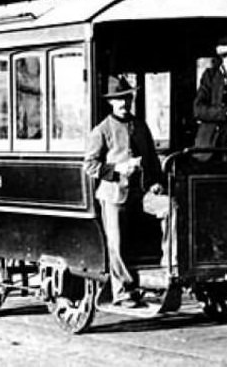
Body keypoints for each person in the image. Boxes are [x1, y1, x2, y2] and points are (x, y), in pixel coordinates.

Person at [83, 75, 163, 308]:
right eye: (119, 99)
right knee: (117, 243)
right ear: (111, 102)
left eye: (127, 98)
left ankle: (168, 269)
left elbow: (152, 160)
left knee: (170, 209)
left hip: (142, 193)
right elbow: (90, 165)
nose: (124, 103)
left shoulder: (140, 126)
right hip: (114, 195)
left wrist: (156, 182)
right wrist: (117, 169)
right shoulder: (102, 130)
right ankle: (122, 291)